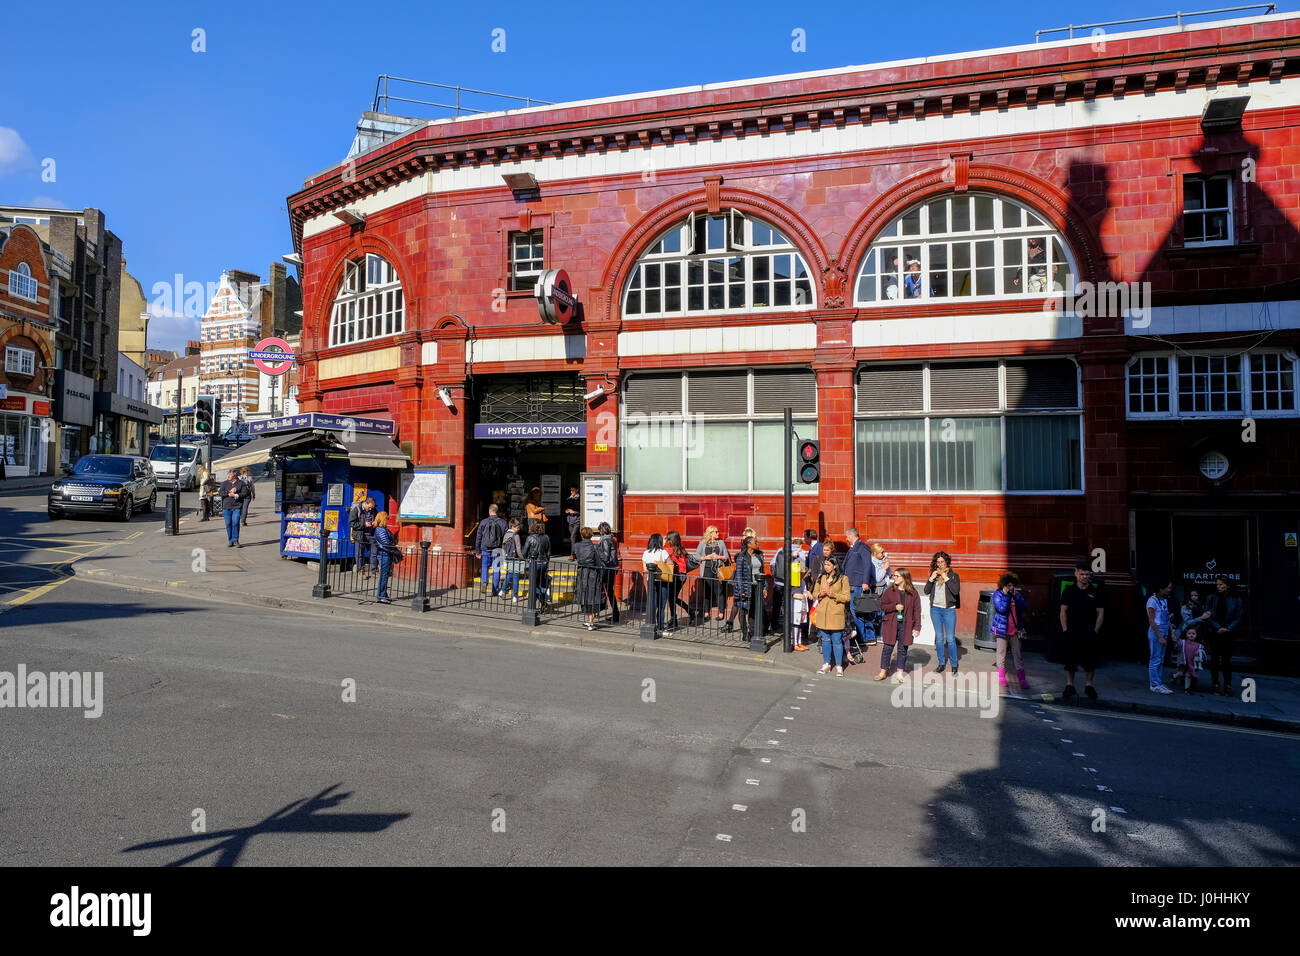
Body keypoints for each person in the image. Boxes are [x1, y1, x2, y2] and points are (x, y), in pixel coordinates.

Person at [1059, 558, 1104, 700]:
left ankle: (1089, 686)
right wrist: (1065, 629)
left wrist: (1095, 631)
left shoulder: (1095, 592)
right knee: (1070, 660)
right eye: (1082, 574)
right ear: (1076, 573)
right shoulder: (1069, 591)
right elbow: (1063, 611)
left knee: (1090, 661)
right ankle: (1069, 685)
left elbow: (1100, 613)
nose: (1085, 577)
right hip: (1072, 630)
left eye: (1087, 574)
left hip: (1089, 631)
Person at [1200, 576, 1244, 696]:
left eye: (1221, 585)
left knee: (1226, 660)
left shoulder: (1236, 600)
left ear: (1227, 585)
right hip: (1215, 632)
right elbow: (1206, 614)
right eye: (1217, 585)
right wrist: (1217, 627)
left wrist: (1228, 628)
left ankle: (1228, 684)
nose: (1218, 587)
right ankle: (1215, 684)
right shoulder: (1212, 598)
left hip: (1228, 634)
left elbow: (1239, 617)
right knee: (1214, 659)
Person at [876, 567, 921, 683]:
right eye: (894, 576)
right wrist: (894, 607)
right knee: (887, 648)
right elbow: (882, 605)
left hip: (906, 625)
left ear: (904, 578)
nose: (893, 578)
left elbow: (917, 611)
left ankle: (900, 673)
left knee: (902, 649)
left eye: (896, 576)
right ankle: (883, 672)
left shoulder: (913, 593)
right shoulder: (890, 590)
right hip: (891, 623)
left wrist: (917, 627)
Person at [811, 554, 851, 676]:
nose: (826, 567)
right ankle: (827, 664)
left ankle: (839, 665)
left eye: (829, 565)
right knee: (825, 639)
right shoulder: (820, 577)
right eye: (825, 564)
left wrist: (834, 595)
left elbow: (847, 597)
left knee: (837, 640)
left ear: (835, 565)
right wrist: (820, 594)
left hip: (836, 613)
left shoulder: (843, 579)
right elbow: (814, 593)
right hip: (823, 613)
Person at [991, 572, 1030, 690]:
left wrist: (1016, 596)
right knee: (1001, 654)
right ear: (1003, 585)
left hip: (1015, 630)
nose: (1011, 587)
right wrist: (1007, 596)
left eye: (1012, 585)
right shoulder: (998, 595)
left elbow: (1024, 607)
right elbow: (1001, 609)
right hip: (1002, 630)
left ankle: (1022, 679)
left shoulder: (1016, 595)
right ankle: (1001, 677)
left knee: (1018, 655)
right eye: (1008, 585)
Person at [924, 551, 961, 675]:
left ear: (947, 562)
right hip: (935, 609)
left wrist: (945, 578)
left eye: (942, 562)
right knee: (939, 638)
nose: (940, 565)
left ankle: (954, 665)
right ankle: (941, 664)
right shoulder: (934, 576)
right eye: (938, 562)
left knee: (950, 638)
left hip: (949, 610)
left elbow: (955, 591)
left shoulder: (954, 576)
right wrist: (931, 579)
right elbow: (926, 591)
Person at [725, 535, 765, 642]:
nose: (758, 544)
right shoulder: (741, 557)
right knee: (743, 610)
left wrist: (764, 587)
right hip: (746, 587)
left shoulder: (760, 555)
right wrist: (741, 591)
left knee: (753, 611)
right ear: (749, 545)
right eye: (755, 542)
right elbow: (739, 576)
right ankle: (744, 632)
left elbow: (763, 572)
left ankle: (752, 633)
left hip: (757, 587)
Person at [843, 528, 877, 646]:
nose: (846, 539)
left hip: (858, 584)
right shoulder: (854, 547)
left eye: (847, 537)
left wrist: (865, 582)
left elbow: (867, 565)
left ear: (851, 535)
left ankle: (866, 637)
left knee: (860, 610)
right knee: (858, 610)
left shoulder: (862, 547)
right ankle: (865, 637)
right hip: (852, 583)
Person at [770, 535, 806, 637]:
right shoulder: (801, 553)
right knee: (790, 607)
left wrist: (776, 577)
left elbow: (772, 564)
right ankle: (789, 630)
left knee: (776, 606)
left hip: (778, 583)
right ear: (800, 545)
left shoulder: (780, 550)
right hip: (791, 585)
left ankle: (774, 627)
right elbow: (802, 570)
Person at [695, 526, 730, 623]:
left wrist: (718, 556)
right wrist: (707, 557)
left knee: (719, 591)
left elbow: (726, 557)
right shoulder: (703, 543)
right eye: (716, 532)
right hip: (706, 570)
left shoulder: (721, 543)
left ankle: (721, 612)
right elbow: (697, 557)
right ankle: (706, 612)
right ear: (710, 533)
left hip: (718, 570)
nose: (718, 533)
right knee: (707, 591)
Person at [1145, 580, 1174, 694]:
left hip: (1164, 629)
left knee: (1161, 659)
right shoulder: (1152, 601)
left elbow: (1166, 618)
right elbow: (1152, 621)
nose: (1170, 590)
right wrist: (1160, 636)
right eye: (1168, 588)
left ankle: (1159, 682)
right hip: (1156, 631)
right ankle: (1154, 684)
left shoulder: (1164, 600)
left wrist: (1171, 633)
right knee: (1155, 659)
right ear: (1161, 589)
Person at [573, 527, 604, 631]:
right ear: (591, 535)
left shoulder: (576, 546)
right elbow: (599, 562)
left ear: (582, 535)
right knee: (593, 595)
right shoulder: (595, 546)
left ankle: (590, 620)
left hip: (582, 572)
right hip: (592, 573)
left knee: (585, 595)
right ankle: (591, 622)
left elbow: (577, 557)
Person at [665, 530, 696, 630]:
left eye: (668, 539)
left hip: (676, 576)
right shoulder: (682, 549)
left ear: (671, 540)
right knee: (672, 598)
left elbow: (661, 554)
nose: (667, 541)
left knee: (671, 598)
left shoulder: (670, 550)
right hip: (682, 576)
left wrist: (661, 544)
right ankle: (688, 612)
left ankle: (675, 619)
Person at [474, 504, 508, 595]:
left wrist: (478, 551)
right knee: (496, 569)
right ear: (497, 511)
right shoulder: (503, 522)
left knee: (485, 567)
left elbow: (479, 537)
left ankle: (484, 581)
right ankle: (495, 590)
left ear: (490, 511)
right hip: (497, 549)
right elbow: (506, 539)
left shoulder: (483, 522)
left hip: (485, 548)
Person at [641, 533, 670, 636]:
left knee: (652, 604)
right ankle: (661, 628)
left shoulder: (645, 553)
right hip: (662, 580)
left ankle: (651, 625)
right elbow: (670, 564)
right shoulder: (663, 552)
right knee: (661, 606)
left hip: (651, 580)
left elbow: (644, 569)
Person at [521, 519, 552, 609]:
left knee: (533, 584)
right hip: (544, 562)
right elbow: (549, 553)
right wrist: (547, 563)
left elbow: (524, 553)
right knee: (542, 583)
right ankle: (542, 603)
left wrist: (525, 557)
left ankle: (541, 602)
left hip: (534, 563)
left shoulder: (530, 538)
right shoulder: (546, 537)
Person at [596, 522, 620, 623]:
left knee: (606, 590)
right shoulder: (611, 538)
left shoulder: (605, 540)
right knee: (609, 591)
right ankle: (615, 614)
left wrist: (596, 550)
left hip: (607, 569)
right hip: (612, 568)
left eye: (599, 530)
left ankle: (614, 614)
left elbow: (605, 557)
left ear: (602, 530)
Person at [217, 469, 248, 548]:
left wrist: (236, 494)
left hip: (236, 506)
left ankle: (236, 540)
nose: (228, 476)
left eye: (230, 475)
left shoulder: (241, 483)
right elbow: (220, 493)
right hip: (226, 507)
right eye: (228, 475)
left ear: (234, 476)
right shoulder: (224, 483)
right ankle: (230, 540)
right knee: (228, 524)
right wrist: (228, 493)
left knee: (235, 522)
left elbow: (245, 493)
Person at [1172, 620, 1204, 694]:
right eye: (1189, 633)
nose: (1191, 635)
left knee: (1188, 675)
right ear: (1186, 635)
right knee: (1181, 673)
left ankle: (1187, 689)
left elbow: (1201, 652)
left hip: (1192, 663)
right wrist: (1174, 639)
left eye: (1193, 634)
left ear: (1196, 635)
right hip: (1184, 661)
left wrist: (1198, 652)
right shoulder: (1183, 642)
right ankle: (1174, 676)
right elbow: (1177, 646)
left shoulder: (1198, 645)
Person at [373, 511, 395, 604]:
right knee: (384, 575)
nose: (388, 519)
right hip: (384, 554)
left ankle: (384, 594)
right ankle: (381, 596)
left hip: (386, 554)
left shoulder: (383, 529)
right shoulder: (380, 530)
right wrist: (394, 547)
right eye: (386, 518)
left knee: (385, 575)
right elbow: (385, 543)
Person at [501, 518, 524, 601]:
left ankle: (503, 590)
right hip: (516, 558)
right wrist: (522, 558)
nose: (519, 529)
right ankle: (515, 596)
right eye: (517, 527)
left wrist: (504, 558)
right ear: (513, 526)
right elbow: (518, 549)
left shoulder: (506, 534)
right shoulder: (516, 536)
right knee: (516, 577)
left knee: (509, 574)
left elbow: (503, 547)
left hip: (508, 557)